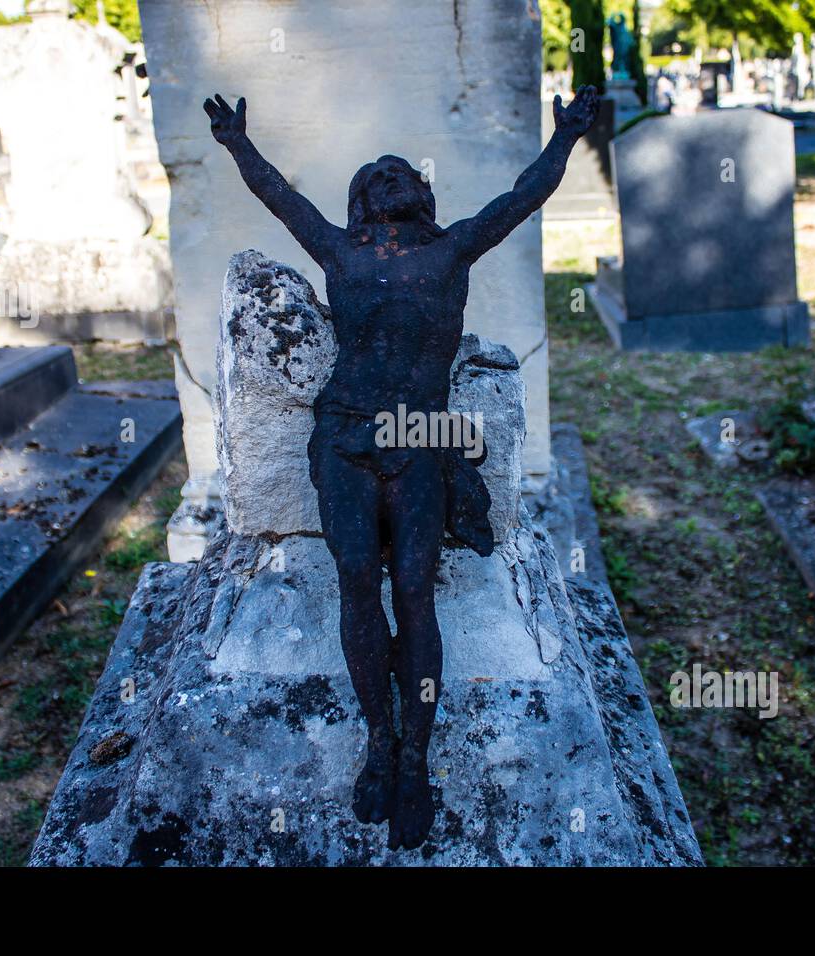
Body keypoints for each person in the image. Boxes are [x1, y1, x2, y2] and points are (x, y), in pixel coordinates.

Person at [203, 86, 599, 849]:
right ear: (358, 202)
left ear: (423, 194)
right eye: (373, 174)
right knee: (358, 576)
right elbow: (278, 195)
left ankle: (415, 758)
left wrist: (567, 136)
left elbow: (526, 195)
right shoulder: (339, 249)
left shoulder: (453, 247)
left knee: (416, 588)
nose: (388, 176)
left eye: (400, 172)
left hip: (420, 434)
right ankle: (378, 742)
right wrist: (235, 143)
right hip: (346, 432)